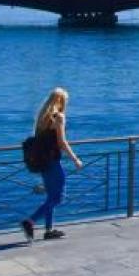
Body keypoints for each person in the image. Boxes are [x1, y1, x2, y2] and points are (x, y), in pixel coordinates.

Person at [21, 87, 82, 241]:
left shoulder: (42, 118)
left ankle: (49, 230)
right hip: (53, 162)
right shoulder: (59, 117)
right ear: (61, 101)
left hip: (43, 162)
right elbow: (62, 142)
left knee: (50, 197)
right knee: (58, 198)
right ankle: (30, 221)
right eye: (65, 101)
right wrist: (75, 159)